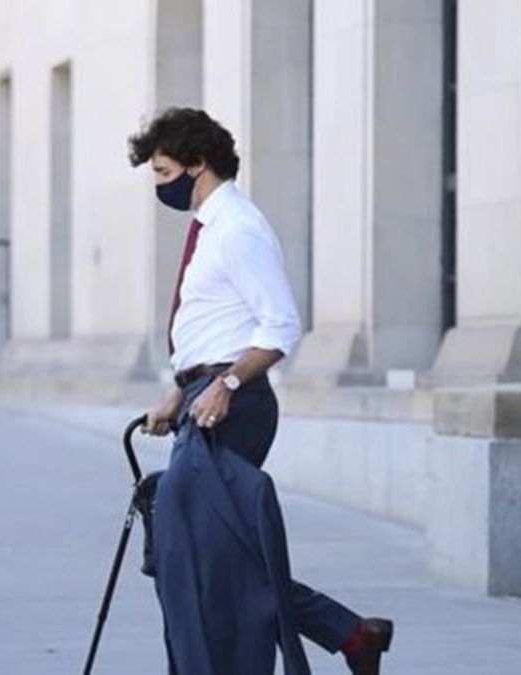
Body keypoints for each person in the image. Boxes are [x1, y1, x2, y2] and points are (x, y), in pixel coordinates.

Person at [129, 107, 395, 675]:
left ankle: (349, 635)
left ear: (197, 164)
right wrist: (179, 391)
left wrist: (223, 383)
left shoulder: (239, 229)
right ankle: (353, 636)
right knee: (215, 558)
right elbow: (215, 330)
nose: (159, 184)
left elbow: (281, 326)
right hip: (202, 400)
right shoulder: (210, 229)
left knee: (207, 560)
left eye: (162, 170)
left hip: (232, 408)